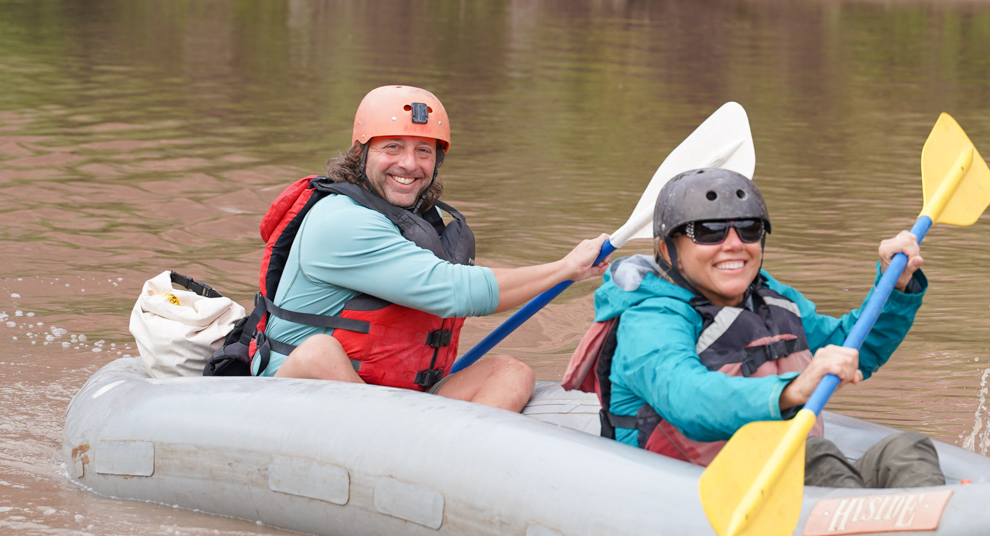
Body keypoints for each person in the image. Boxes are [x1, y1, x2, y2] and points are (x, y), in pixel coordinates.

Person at [572, 166, 942, 488]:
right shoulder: (649, 319)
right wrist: (790, 390)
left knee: (907, 451)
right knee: (811, 458)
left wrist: (895, 287)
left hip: (783, 471)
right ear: (668, 250)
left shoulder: (772, 299)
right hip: (691, 488)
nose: (735, 244)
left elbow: (850, 350)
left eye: (749, 229)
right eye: (709, 231)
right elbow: (687, 396)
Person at [251, 84, 609, 413]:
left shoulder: (422, 218)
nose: (409, 164)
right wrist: (565, 268)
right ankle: (395, 446)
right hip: (292, 395)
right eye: (393, 147)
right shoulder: (341, 221)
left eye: (423, 151)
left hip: (391, 398)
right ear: (361, 153)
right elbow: (453, 291)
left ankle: (446, 457)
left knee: (510, 373)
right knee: (320, 353)